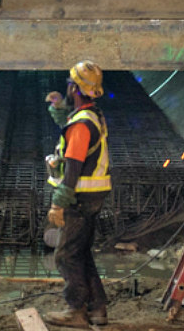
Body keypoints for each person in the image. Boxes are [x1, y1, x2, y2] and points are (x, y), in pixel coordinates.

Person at [43, 61, 111, 328]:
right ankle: (98, 310)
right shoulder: (91, 115)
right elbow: (72, 126)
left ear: (74, 87)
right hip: (92, 196)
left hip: (80, 199)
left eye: (69, 86)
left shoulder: (82, 125)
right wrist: (59, 107)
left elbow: (72, 169)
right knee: (81, 253)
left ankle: (76, 311)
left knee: (66, 255)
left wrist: (58, 204)